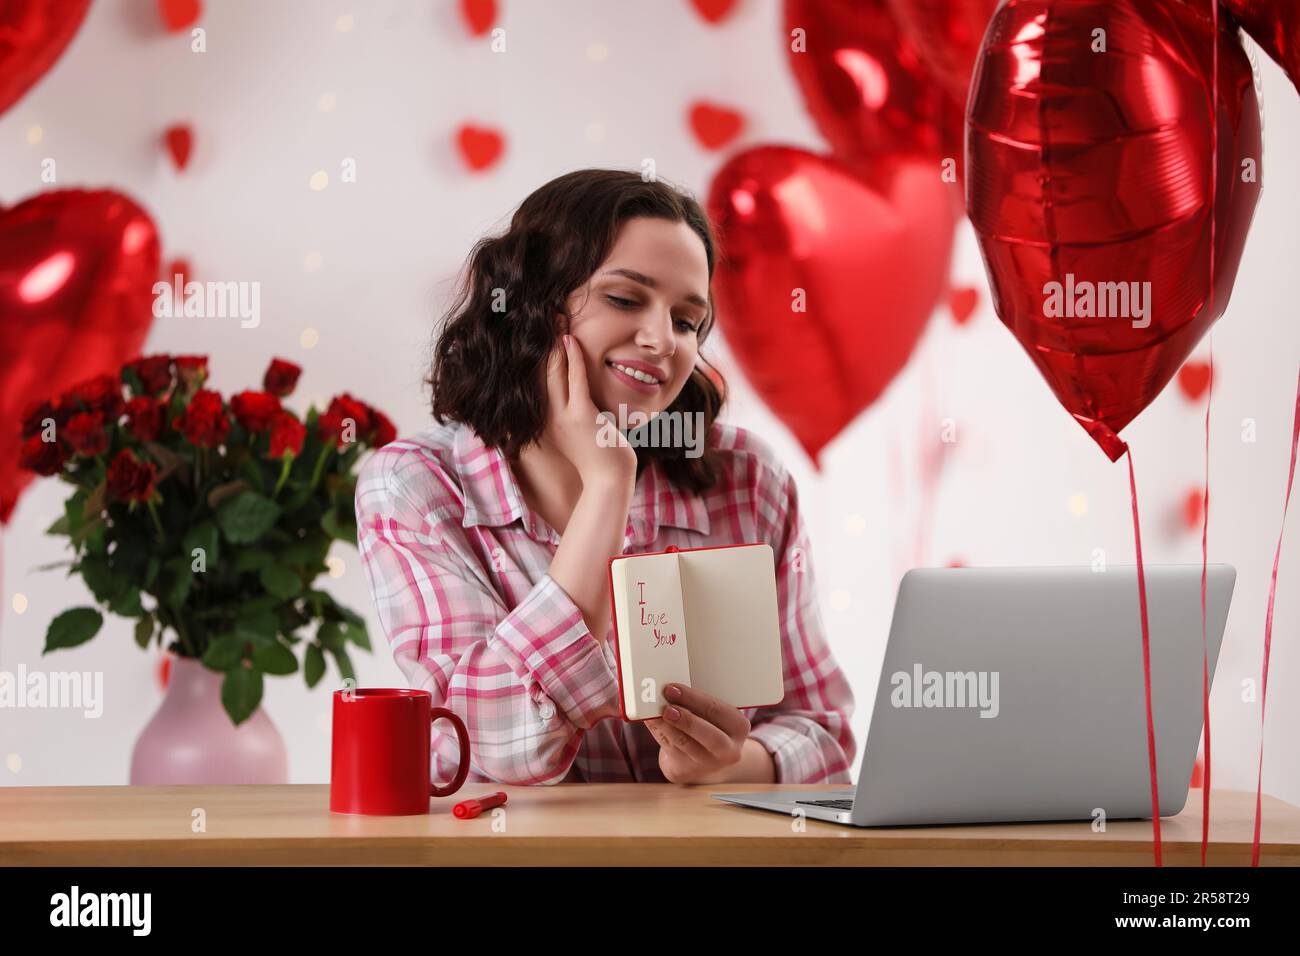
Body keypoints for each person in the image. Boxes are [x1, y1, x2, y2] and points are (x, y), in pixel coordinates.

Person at [355, 168, 856, 786]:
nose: (661, 340)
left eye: (685, 320)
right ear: (535, 306)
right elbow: (495, 746)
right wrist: (607, 487)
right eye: (625, 299)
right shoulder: (416, 486)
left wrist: (729, 765)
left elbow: (822, 728)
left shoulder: (747, 476)